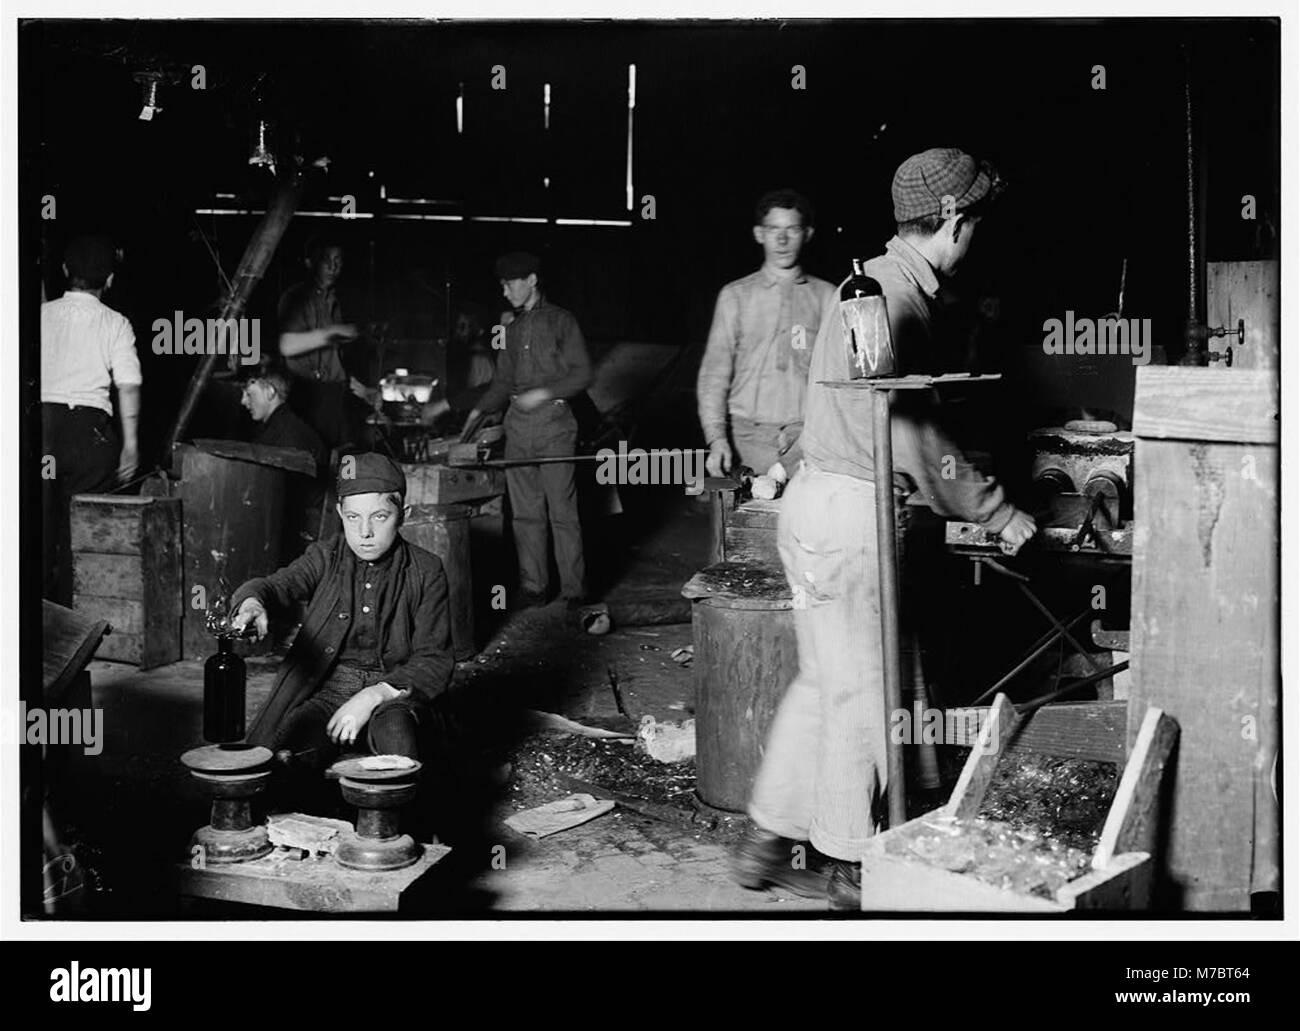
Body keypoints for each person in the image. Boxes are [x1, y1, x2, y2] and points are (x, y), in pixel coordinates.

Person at [729, 149, 1038, 909]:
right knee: (864, 696)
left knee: (824, 683)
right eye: (977, 225)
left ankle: (767, 836)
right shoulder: (895, 300)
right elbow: (915, 437)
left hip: (813, 502)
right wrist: (1000, 512)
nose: (978, 239)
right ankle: (846, 862)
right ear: (957, 221)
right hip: (851, 515)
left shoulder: (864, 282)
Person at [229, 453, 454, 797]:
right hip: (330, 690)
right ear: (340, 515)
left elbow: (434, 661)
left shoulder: (427, 570)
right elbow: (277, 585)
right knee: (287, 753)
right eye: (353, 518)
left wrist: (373, 695)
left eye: (380, 517)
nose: (365, 532)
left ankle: (404, 836)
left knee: (398, 745)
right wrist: (252, 602)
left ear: (403, 516)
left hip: (394, 691)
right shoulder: (324, 557)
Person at [465, 252, 592, 607]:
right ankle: (535, 587)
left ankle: (574, 591)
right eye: (502, 285)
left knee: (563, 514)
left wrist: (544, 393)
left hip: (554, 425)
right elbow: (503, 382)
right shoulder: (509, 330)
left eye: (510, 283)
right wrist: (479, 408)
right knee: (524, 515)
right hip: (517, 429)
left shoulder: (563, 321)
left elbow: (583, 373)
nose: (505, 292)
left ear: (532, 280)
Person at [697, 189, 835, 486]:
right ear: (759, 234)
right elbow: (713, 376)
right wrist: (716, 439)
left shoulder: (827, 297)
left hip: (807, 441)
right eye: (774, 229)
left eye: (792, 229)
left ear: (807, 234)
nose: (782, 240)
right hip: (746, 441)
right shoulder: (736, 296)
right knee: (745, 529)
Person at [41, 234, 142, 604]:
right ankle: (75, 625)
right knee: (81, 537)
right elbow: (128, 386)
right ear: (110, 280)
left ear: (66, 271)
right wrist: (130, 444)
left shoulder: (39, 314)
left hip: (41, 432)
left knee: (34, 529)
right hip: (91, 437)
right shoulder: (116, 323)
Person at [277, 235, 370, 451]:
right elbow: (286, 345)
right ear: (310, 262)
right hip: (305, 397)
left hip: (334, 398)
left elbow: (334, 363)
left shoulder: (335, 302)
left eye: (338, 260)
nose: (333, 266)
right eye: (326, 259)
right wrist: (331, 332)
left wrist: (365, 392)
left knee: (342, 461)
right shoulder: (295, 297)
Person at [241, 363, 329, 551]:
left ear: (270, 392)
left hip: (299, 529)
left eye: (249, 394)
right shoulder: (283, 425)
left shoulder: (285, 434)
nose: (243, 401)